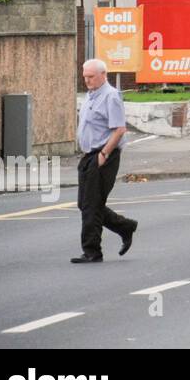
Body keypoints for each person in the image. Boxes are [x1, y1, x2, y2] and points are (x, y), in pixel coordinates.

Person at [73, 59, 138, 263]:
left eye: (91, 77)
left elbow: (119, 129)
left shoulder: (110, 97)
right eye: (85, 76)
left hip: (103, 156)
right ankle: (125, 226)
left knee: (92, 204)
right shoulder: (91, 96)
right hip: (89, 155)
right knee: (84, 203)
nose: (87, 80)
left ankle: (92, 251)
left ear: (103, 75)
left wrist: (104, 154)